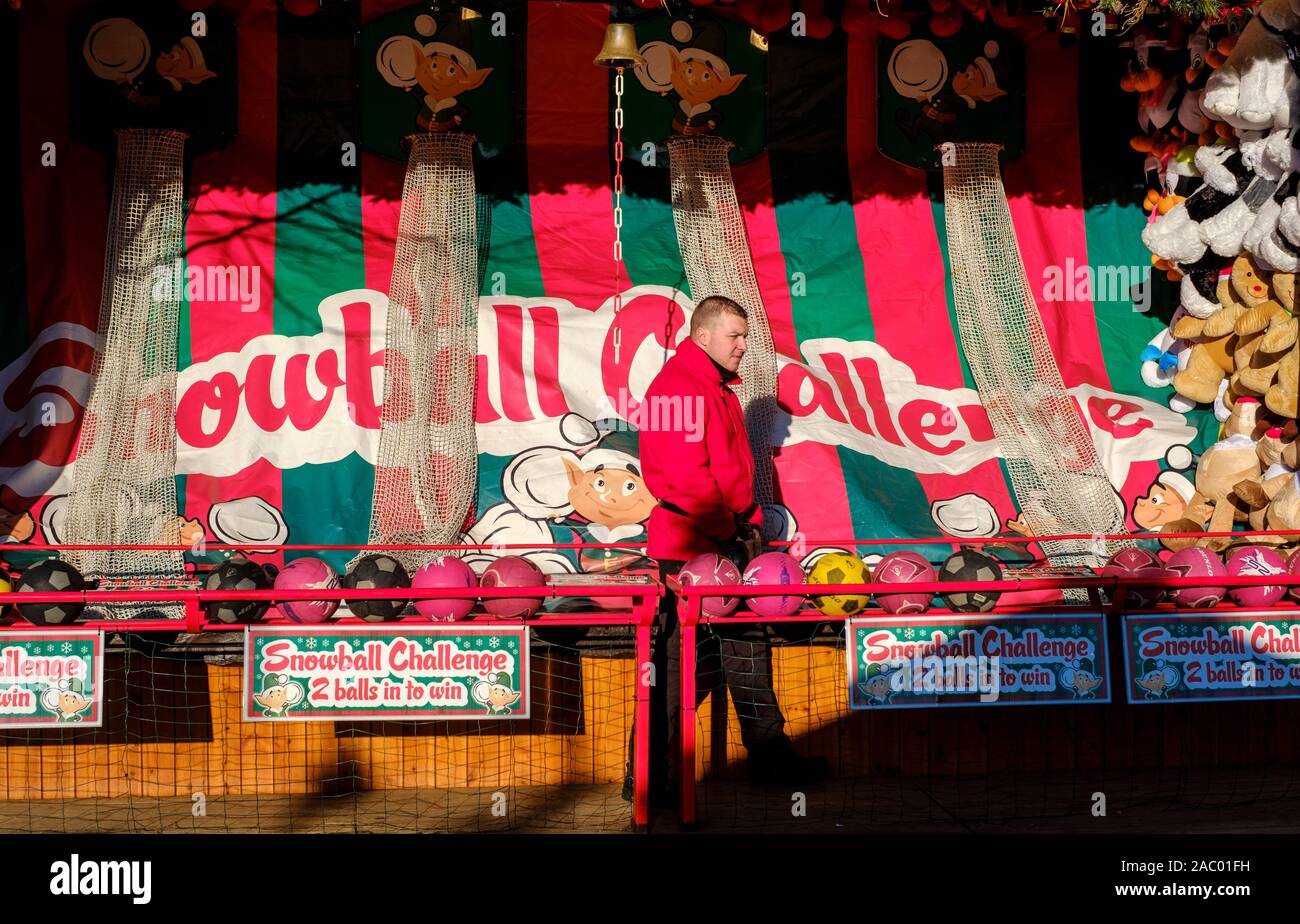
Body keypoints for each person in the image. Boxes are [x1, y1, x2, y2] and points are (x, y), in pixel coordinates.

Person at [623, 295, 828, 805]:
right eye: (735, 335)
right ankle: (648, 774)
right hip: (691, 550)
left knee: (747, 649)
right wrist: (733, 528)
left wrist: (751, 521)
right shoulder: (677, 388)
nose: (743, 346)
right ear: (703, 336)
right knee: (678, 663)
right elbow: (686, 482)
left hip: (725, 541)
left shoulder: (715, 388)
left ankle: (769, 757)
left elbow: (729, 474)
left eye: (744, 335)